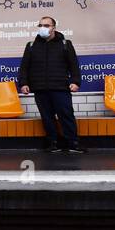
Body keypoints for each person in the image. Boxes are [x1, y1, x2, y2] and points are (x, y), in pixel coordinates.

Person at [18, 16, 85, 154]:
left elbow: (74, 66)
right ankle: (53, 144)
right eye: (41, 25)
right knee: (47, 118)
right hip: (40, 88)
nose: (43, 28)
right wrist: (23, 83)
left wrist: (75, 81)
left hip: (60, 87)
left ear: (54, 27)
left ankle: (73, 143)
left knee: (66, 115)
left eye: (47, 25)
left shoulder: (65, 44)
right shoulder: (31, 46)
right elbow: (24, 67)